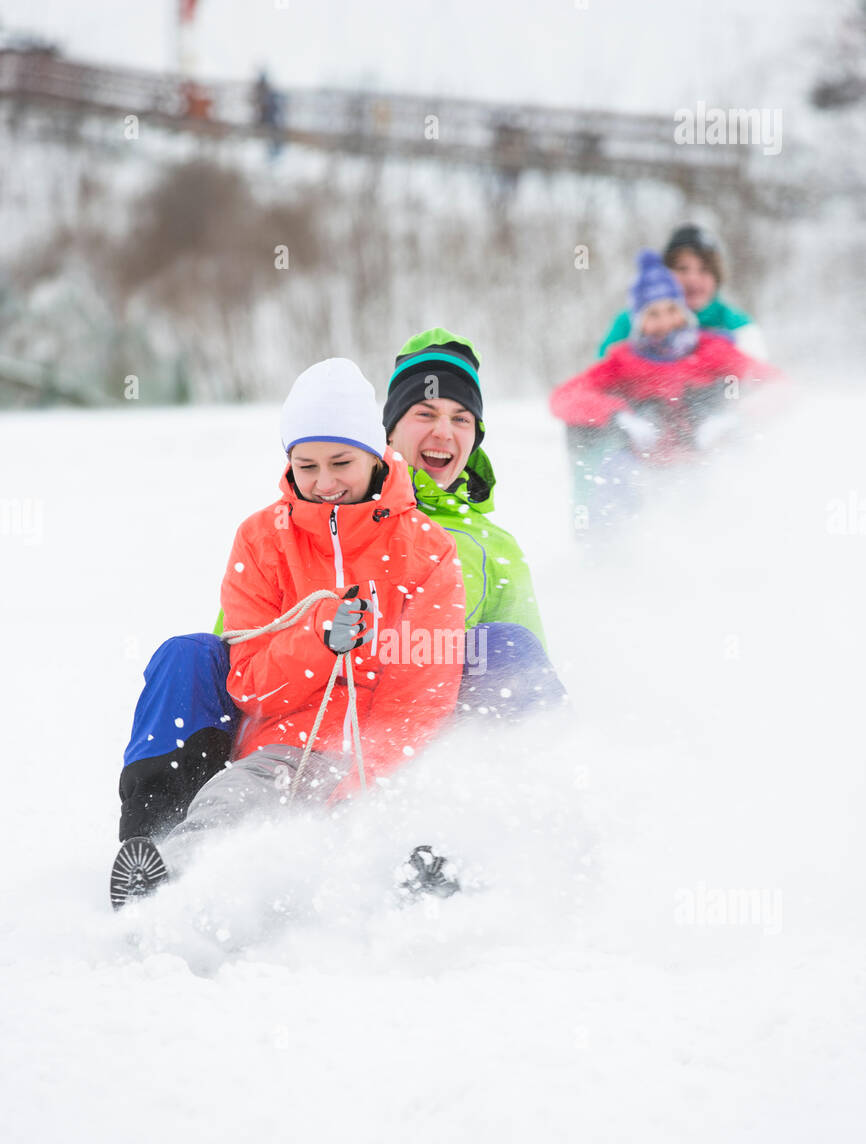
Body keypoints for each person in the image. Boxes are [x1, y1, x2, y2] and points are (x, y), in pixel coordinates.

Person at [116, 330, 565, 865]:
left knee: (508, 649)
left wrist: (374, 761)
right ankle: (157, 851)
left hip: (413, 714)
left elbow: (444, 679)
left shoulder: (461, 546)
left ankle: (543, 820)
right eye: (425, 413)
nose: (443, 431)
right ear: (388, 433)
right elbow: (241, 654)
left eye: (460, 418)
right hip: (292, 722)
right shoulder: (276, 531)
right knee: (186, 656)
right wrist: (313, 642)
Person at [110, 359, 466, 909]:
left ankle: (425, 888)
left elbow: (423, 687)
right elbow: (248, 683)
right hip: (287, 749)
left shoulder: (427, 548)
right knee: (231, 802)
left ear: (376, 455)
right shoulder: (262, 540)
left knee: (410, 812)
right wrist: (318, 641)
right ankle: (168, 890)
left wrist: (366, 779)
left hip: (388, 753)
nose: (324, 483)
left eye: (341, 462)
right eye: (307, 466)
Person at [551, 250, 781, 527]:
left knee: (732, 471)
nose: (665, 322)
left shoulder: (712, 350)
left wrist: (734, 418)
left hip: (705, 457)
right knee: (616, 473)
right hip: (645, 465)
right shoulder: (624, 360)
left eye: (672, 309)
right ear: (638, 321)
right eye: (653, 314)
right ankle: (609, 557)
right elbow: (565, 396)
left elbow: (778, 385)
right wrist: (618, 417)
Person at [598, 225, 767, 360]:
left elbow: (758, 381)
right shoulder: (631, 323)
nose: (693, 279)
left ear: (716, 277)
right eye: (682, 269)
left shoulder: (736, 326)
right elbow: (602, 373)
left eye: (704, 270)